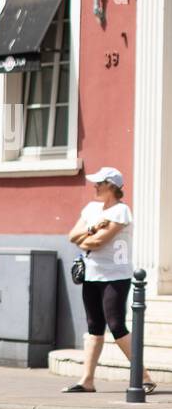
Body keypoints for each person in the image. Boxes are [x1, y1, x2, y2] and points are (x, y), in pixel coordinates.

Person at [63, 167, 155, 394]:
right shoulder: (92, 209)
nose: (94, 186)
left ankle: (143, 376)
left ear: (111, 187)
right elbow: (72, 235)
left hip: (116, 275)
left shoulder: (121, 211)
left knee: (116, 326)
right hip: (92, 274)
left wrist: (86, 239)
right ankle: (87, 381)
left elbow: (96, 243)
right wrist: (93, 228)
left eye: (99, 183)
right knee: (94, 327)